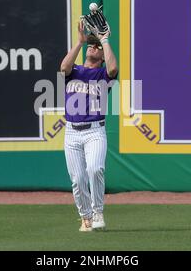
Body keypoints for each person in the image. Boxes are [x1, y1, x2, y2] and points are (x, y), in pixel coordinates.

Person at [60, 21, 118, 231]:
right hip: (72, 133)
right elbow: (63, 67)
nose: (93, 47)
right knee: (77, 179)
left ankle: (98, 211)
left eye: (97, 47)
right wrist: (79, 42)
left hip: (95, 131)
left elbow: (113, 68)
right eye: (91, 45)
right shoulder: (74, 71)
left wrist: (105, 40)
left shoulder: (102, 75)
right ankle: (85, 217)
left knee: (95, 169)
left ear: (102, 56)